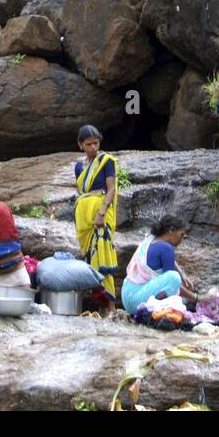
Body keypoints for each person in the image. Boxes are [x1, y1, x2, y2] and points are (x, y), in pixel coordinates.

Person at [73, 124, 118, 304]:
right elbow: (81, 192)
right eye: (89, 144)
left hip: (100, 213)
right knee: (90, 257)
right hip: (84, 215)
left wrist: (101, 212)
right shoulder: (78, 167)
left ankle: (111, 306)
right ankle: (99, 304)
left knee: (102, 255)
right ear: (80, 145)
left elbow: (111, 189)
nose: (93, 147)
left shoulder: (106, 161)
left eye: (96, 143)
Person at [121, 215, 198, 312]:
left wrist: (182, 274)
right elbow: (173, 283)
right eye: (181, 235)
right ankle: (151, 310)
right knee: (174, 277)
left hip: (127, 297)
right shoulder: (166, 248)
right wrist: (197, 298)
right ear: (171, 230)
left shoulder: (150, 239)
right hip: (137, 302)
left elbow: (172, 264)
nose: (181, 240)